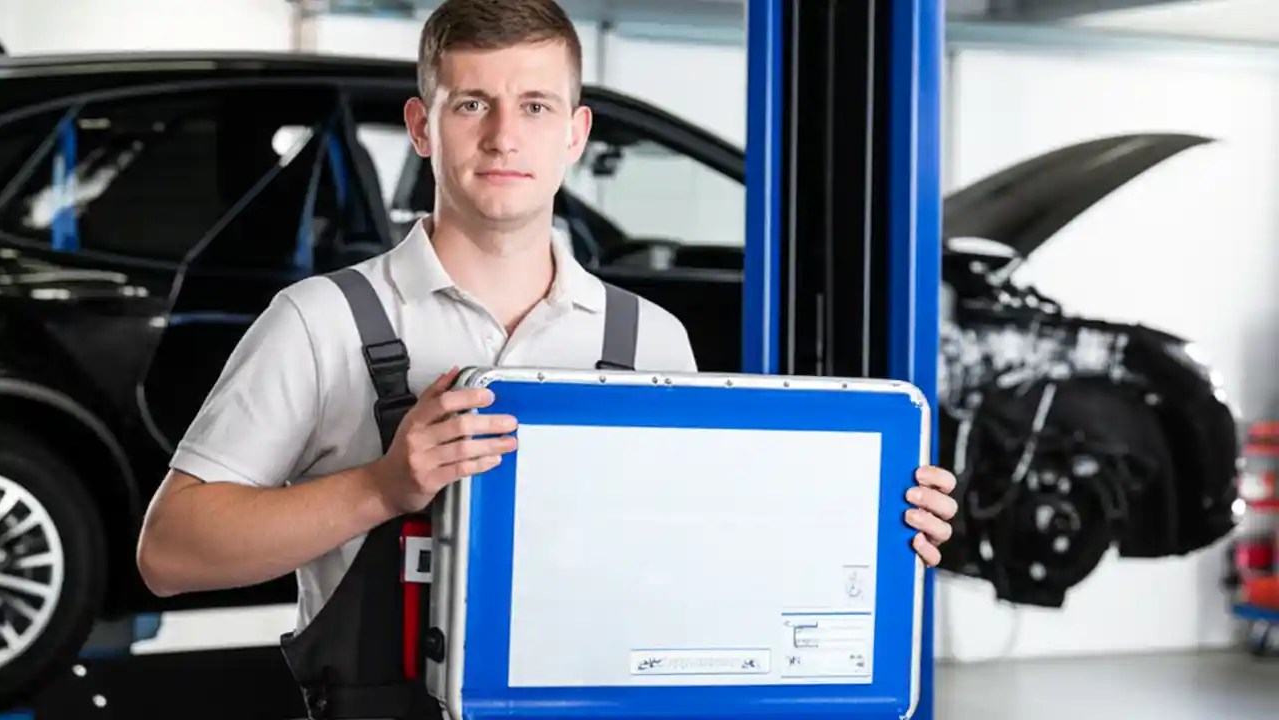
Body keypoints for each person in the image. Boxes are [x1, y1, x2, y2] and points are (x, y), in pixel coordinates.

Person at [137, 0, 955, 664]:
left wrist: (873, 531)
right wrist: (379, 489)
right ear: (423, 128)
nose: (503, 136)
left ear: (576, 132)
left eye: (535, 105)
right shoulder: (322, 322)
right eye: (472, 104)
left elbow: (703, 562)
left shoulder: (651, 343)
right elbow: (169, 554)